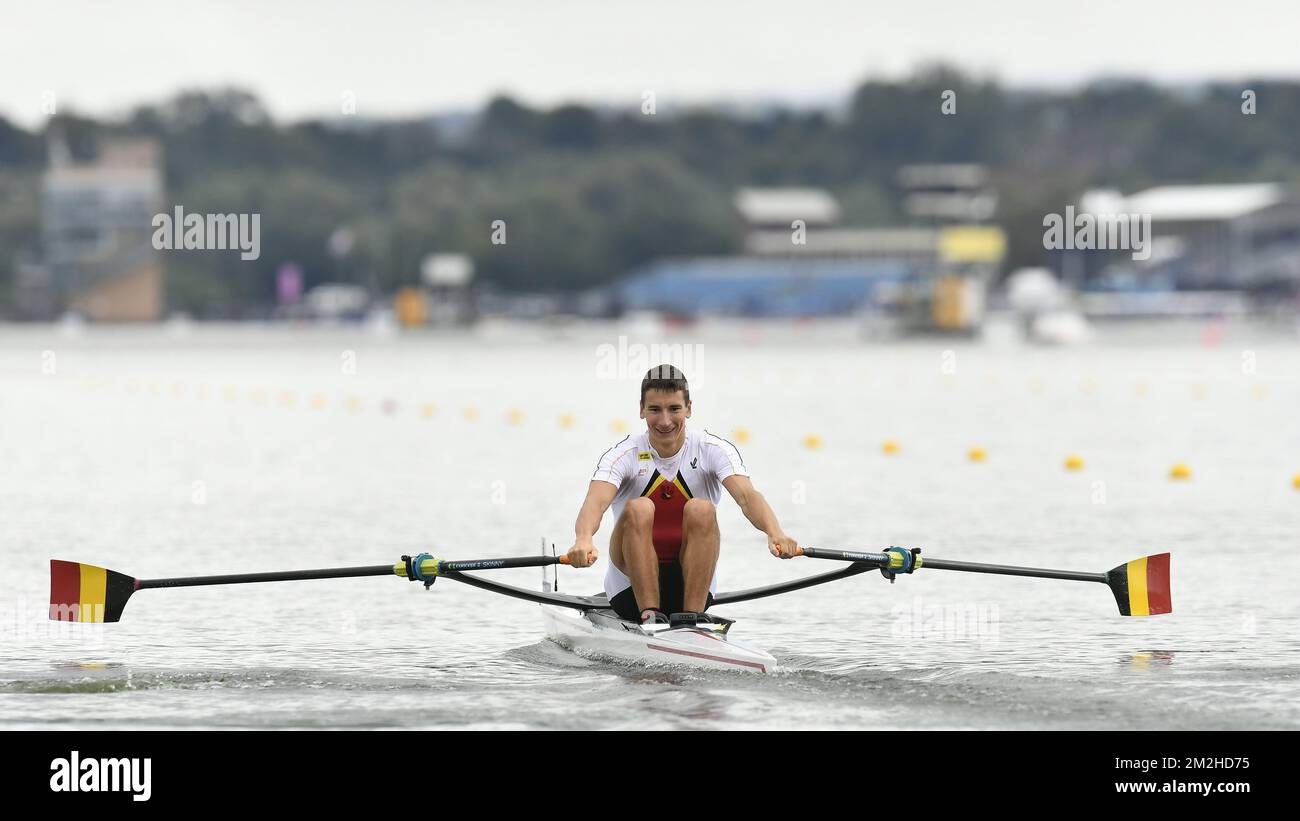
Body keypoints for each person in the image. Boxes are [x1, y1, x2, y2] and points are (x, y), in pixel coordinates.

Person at [566, 364, 800, 624]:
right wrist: (583, 539)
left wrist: (775, 532)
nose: (665, 421)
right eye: (655, 409)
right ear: (642, 409)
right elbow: (595, 502)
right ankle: (650, 614)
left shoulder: (712, 449)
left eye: (674, 409)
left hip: (694, 587)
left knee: (702, 509)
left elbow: (747, 497)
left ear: (689, 408)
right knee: (639, 507)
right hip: (628, 592)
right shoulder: (624, 454)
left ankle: (692, 618)